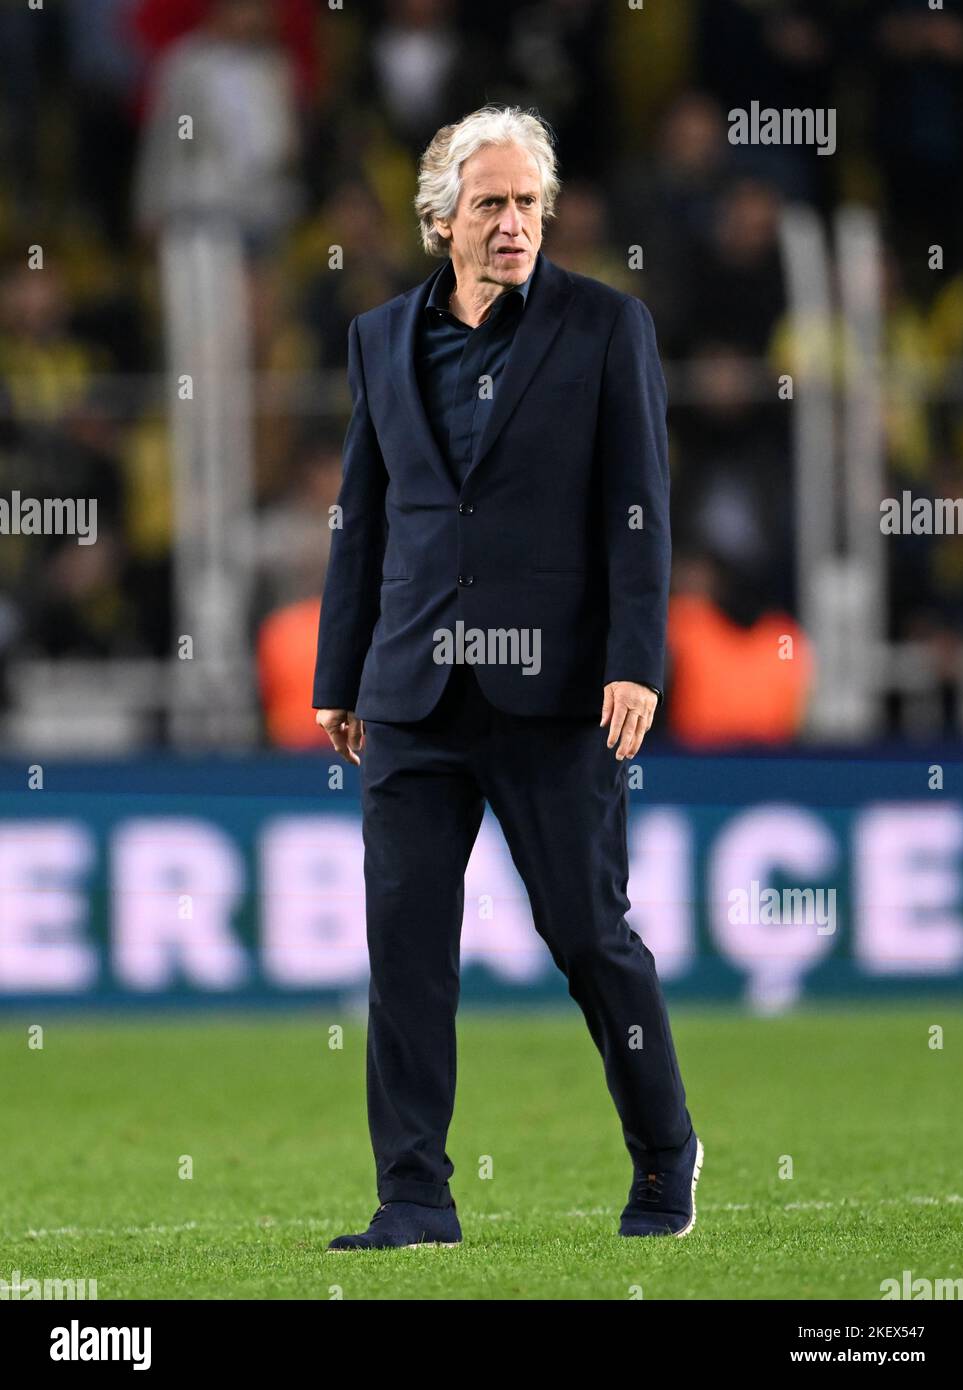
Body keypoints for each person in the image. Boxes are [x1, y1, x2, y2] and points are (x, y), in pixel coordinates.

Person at [311, 105, 701, 1250]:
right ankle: (416, 1196)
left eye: (530, 202)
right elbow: (363, 516)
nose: (515, 222)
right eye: (491, 203)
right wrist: (341, 671)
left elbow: (641, 511)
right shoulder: (380, 338)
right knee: (407, 951)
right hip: (413, 693)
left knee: (589, 934)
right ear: (442, 221)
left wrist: (636, 660)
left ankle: (665, 1154)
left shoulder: (605, 327)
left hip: (557, 693)